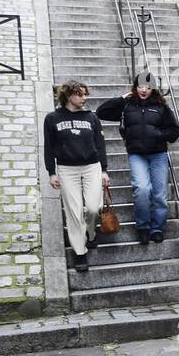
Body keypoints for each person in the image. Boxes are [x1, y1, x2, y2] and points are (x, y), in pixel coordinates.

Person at [96, 71, 179, 245]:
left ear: (153, 89)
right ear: (135, 87)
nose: (144, 90)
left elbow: (174, 131)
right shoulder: (127, 105)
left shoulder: (160, 107)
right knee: (142, 190)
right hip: (136, 155)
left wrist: (157, 134)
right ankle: (143, 227)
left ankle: (157, 228)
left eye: (148, 87)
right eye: (140, 86)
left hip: (158, 155)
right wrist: (120, 99)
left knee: (159, 195)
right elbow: (101, 112)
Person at [44, 80, 108, 273]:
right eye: (80, 94)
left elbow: (100, 144)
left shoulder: (91, 117)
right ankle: (80, 253)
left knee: (94, 207)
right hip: (67, 169)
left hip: (91, 166)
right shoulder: (52, 118)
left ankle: (91, 232)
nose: (84, 98)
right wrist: (51, 172)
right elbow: (48, 146)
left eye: (85, 94)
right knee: (73, 212)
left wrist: (104, 170)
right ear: (68, 96)